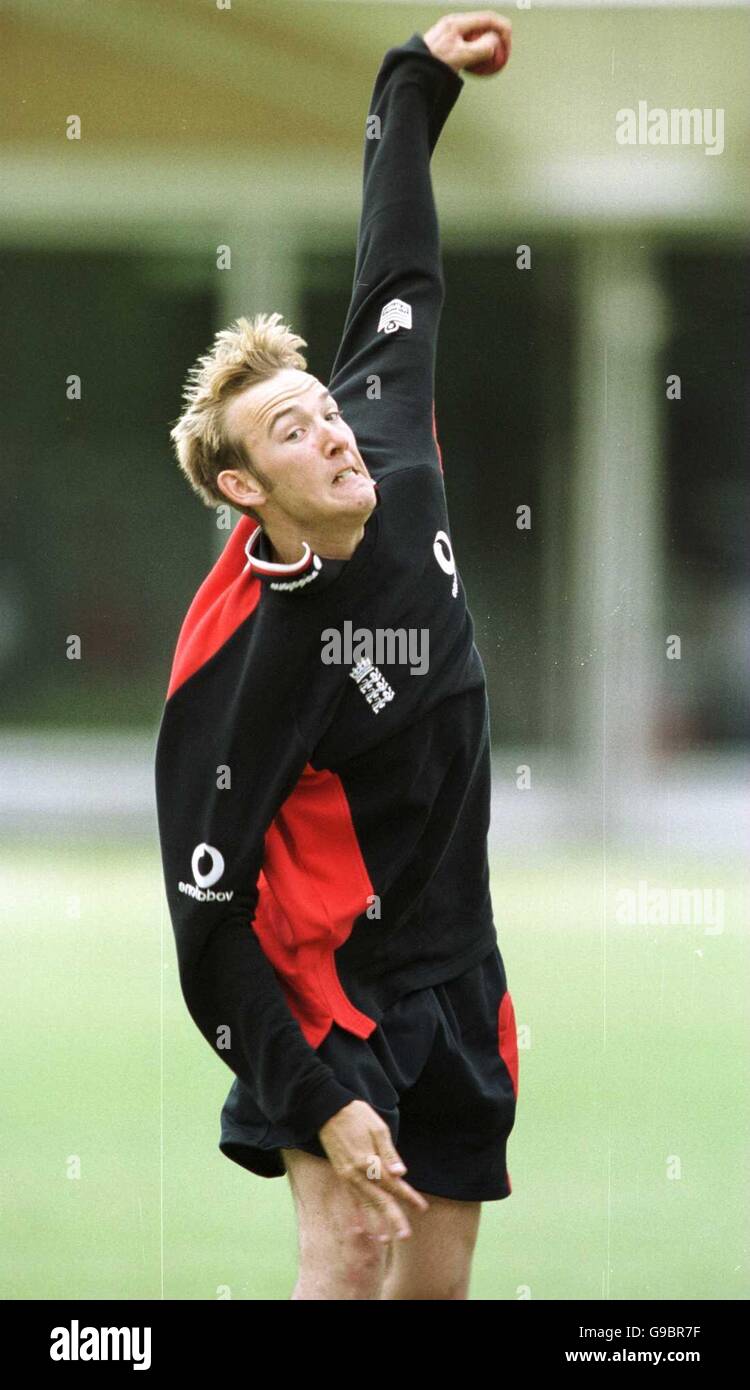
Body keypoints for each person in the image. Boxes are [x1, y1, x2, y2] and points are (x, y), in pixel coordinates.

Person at [155, 10, 518, 1300]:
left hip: (458, 951)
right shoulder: (245, 668)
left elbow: (400, 263)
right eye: (295, 432)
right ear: (248, 492)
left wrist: (413, 78)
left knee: (435, 1284)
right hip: (325, 980)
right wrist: (309, 1094)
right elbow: (203, 923)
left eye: (327, 408)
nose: (336, 433)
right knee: (349, 1261)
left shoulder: (391, 439)